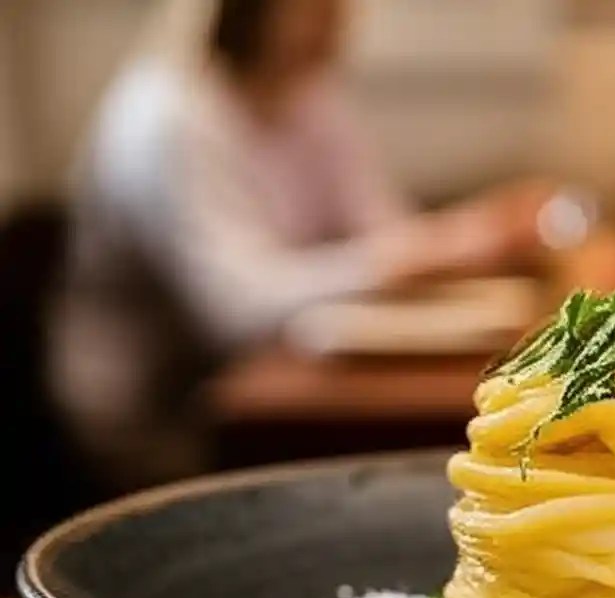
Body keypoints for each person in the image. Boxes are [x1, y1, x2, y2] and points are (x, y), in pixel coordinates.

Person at [51, 0, 549, 491]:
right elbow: (236, 311)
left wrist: (467, 239)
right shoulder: (169, 114)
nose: (339, 19)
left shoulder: (307, 95)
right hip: (160, 420)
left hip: (253, 388)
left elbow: (382, 229)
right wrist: (410, 258)